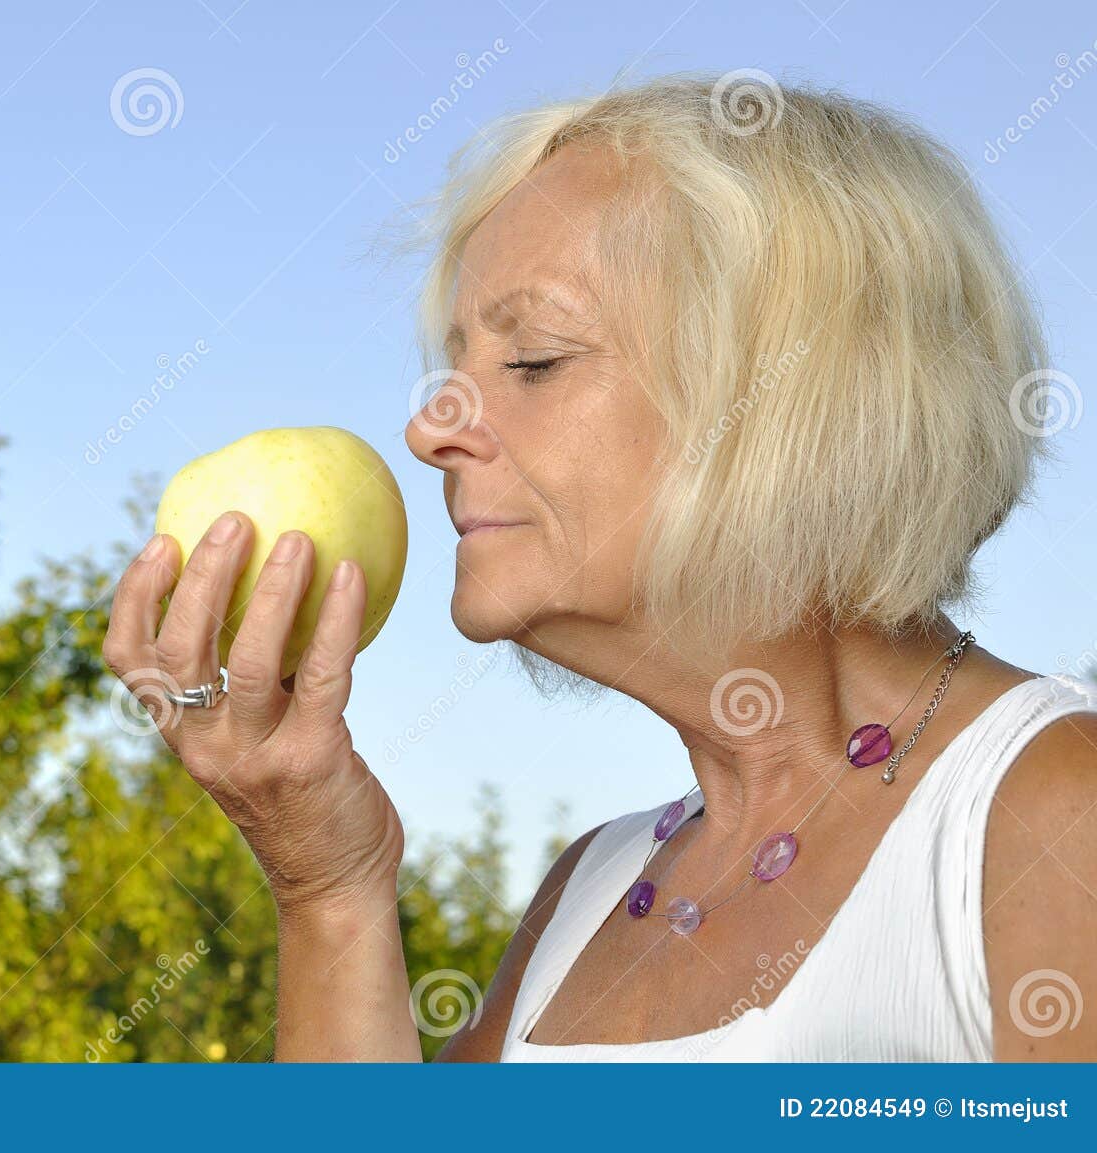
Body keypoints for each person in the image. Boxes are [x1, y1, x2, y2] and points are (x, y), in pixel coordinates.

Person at [102, 75, 1097, 1061]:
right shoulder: (589, 890)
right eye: (451, 367)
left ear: (790, 400)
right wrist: (327, 888)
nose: (424, 429)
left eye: (531, 359)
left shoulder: (1056, 812)